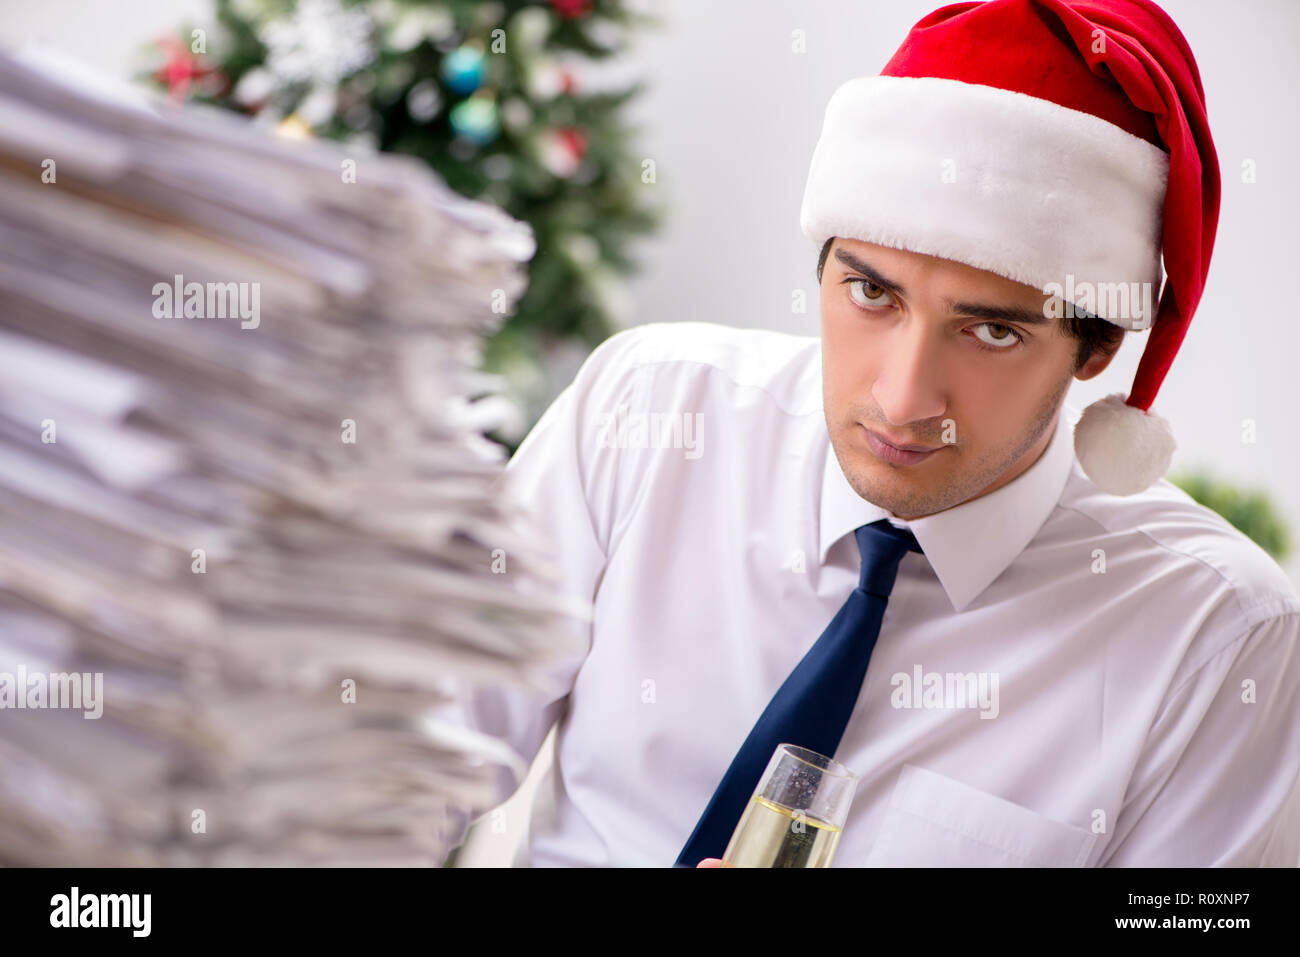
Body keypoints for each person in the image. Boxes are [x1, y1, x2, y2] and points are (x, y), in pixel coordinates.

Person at [438, 0, 1300, 867]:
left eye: (992, 330)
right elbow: (386, 771)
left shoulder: (1218, 638)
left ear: (1098, 345)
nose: (900, 398)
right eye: (871, 293)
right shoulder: (648, 413)